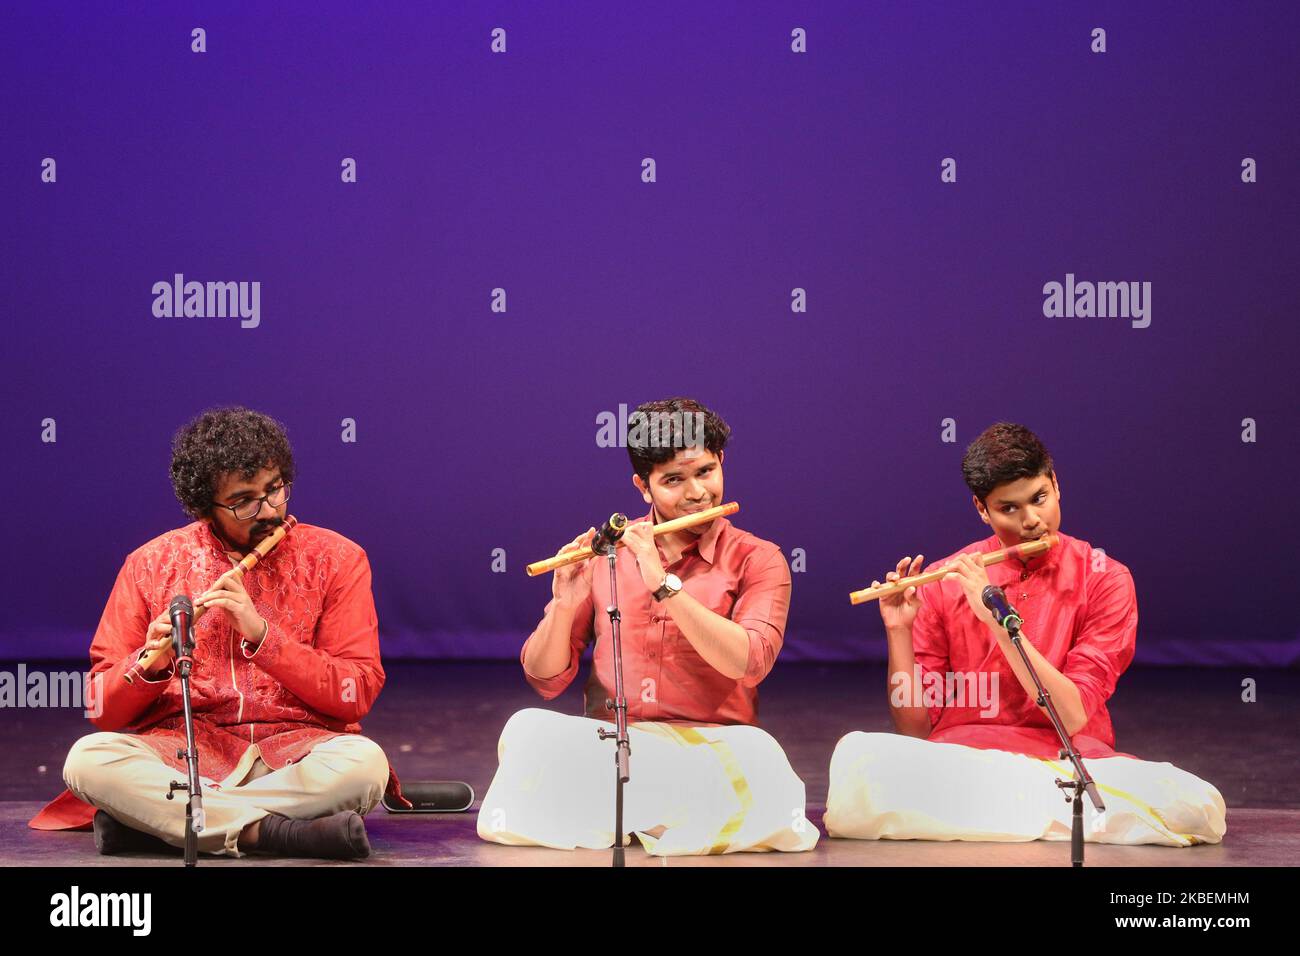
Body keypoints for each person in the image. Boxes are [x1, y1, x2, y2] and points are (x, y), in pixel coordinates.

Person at [825, 422, 1226, 846]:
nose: (1032, 520)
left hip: (1063, 766)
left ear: (1055, 484)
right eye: (1009, 508)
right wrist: (899, 631)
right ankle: (1025, 819)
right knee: (860, 765)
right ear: (982, 509)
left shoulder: (1106, 578)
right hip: (964, 765)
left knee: (1193, 803)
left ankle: (996, 820)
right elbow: (915, 733)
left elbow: (1070, 715)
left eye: (1039, 498)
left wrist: (995, 620)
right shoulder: (945, 580)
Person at [28, 407, 400, 859]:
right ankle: (272, 834)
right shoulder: (150, 563)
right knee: (89, 759)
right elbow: (102, 710)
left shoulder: (338, 558)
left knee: (363, 767)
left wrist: (265, 637)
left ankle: (164, 825)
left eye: (276, 489)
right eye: (245, 501)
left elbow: (354, 692)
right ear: (205, 506)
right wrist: (151, 664)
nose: (269, 510)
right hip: (183, 758)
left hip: (292, 756)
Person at [478, 398, 817, 855]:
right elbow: (545, 679)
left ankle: (633, 818)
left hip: (713, 750)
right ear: (643, 486)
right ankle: (659, 821)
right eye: (673, 480)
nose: (697, 493)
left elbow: (750, 663)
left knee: (764, 767)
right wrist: (565, 603)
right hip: (616, 747)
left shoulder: (760, 560)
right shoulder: (608, 553)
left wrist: (663, 584)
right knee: (526, 730)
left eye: (705, 472)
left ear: (722, 463)